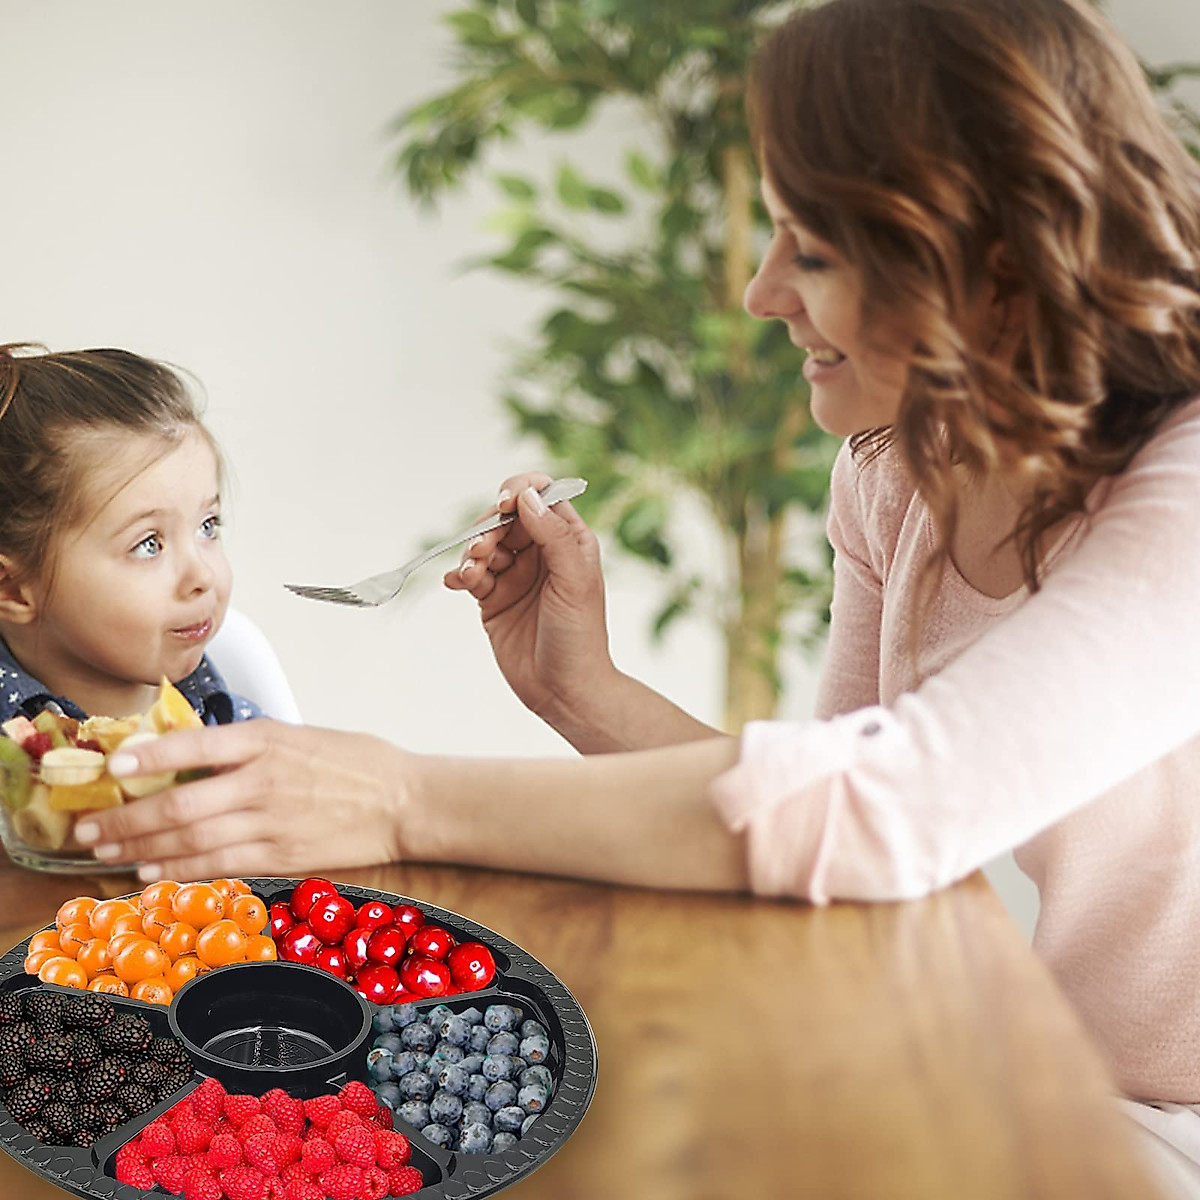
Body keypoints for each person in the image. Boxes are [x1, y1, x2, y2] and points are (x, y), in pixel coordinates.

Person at [69, 0, 1200, 1192]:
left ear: (985, 261)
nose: (763, 294)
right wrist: (583, 689)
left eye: (809, 250)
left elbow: (881, 811)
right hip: (1037, 1068)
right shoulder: (899, 466)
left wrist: (398, 798)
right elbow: (818, 812)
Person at [0, 344, 263, 728]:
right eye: (148, 544)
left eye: (207, 526)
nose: (202, 577)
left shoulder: (243, 734)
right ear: (12, 588)